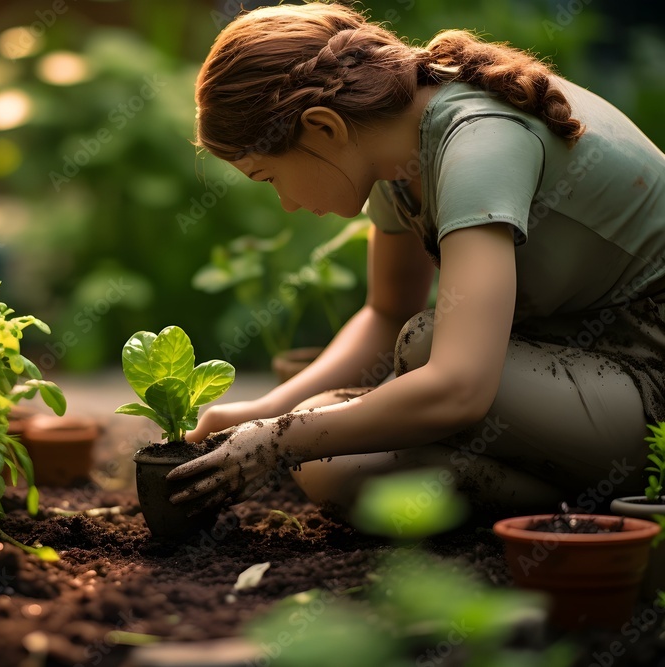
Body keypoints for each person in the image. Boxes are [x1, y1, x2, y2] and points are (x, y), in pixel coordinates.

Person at [167, 1, 665, 518]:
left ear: (323, 126)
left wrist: (274, 440)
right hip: (569, 376)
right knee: (326, 449)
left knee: (423, 349)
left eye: (270, 178)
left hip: (650, 392)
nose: (287, 203)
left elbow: (459, 387)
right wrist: (267, 413)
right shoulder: (394, 153)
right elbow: (385, 313)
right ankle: (571, 497)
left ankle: (615, 497)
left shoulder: (478, 143)